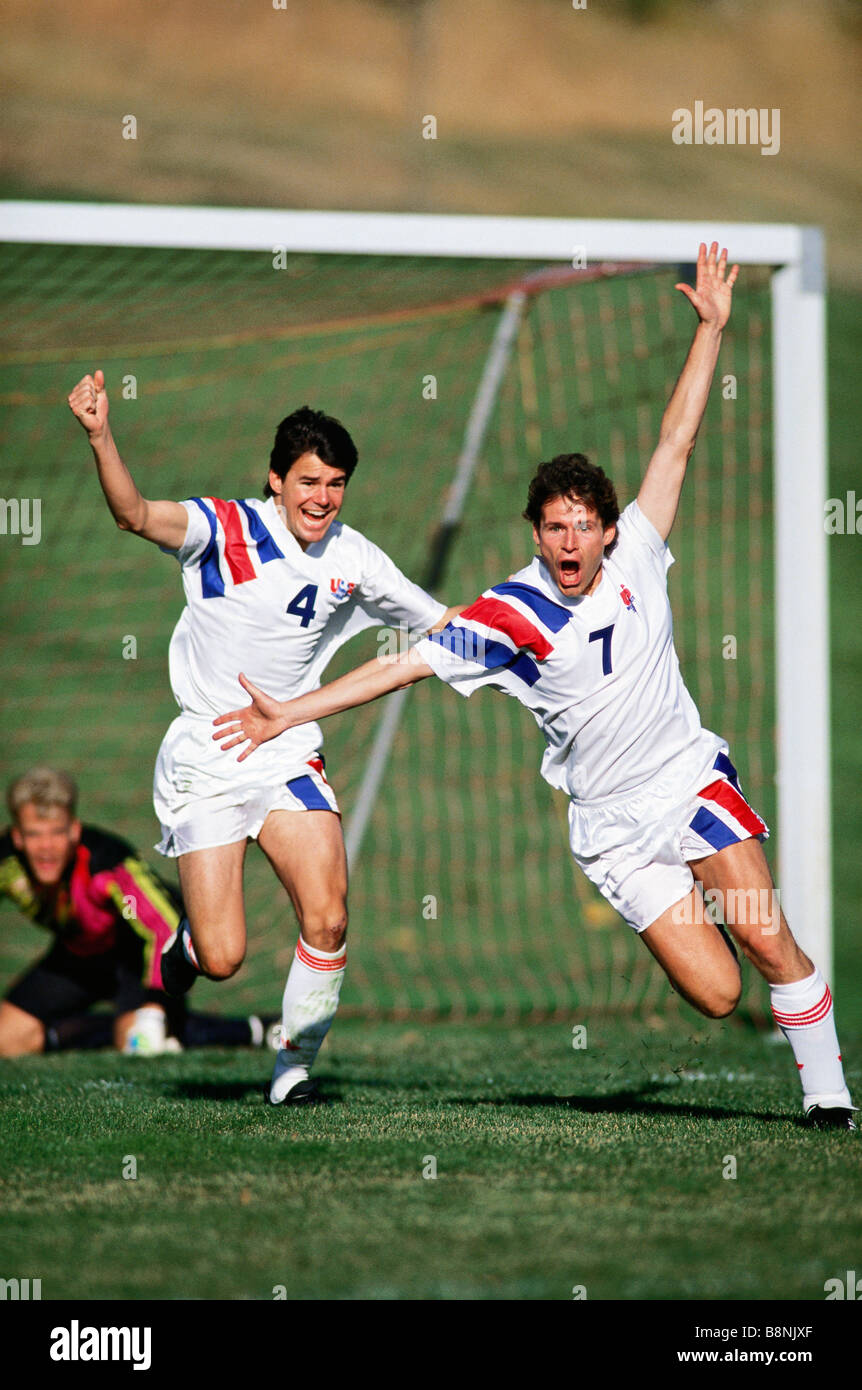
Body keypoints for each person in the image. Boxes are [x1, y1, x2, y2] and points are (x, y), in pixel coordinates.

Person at [212, 244, 854, 1130]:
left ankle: (827, 1099)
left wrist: (710, 330)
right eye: (555, 528)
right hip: (610, 826)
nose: (571, 543)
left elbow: (677, 440)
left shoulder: (640, 550)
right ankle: (782, 1020)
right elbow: (400, 663)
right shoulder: (508, 614)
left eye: (584, 526)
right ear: (536, 531)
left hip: (688, 781)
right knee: (714, 993)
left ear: (607, 527)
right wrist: (292, 706)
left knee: (766, 933)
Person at [66, 379, 459, 1104]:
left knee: (330, 912)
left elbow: (443, 624)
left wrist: (537, 635)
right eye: (309, 481)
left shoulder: (356, 558)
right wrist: (99, 435)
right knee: (223, 957)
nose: (323, 498)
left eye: (337, 484)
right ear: (276, 480)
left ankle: (294, 1070)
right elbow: (133, 514)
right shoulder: (222, 528)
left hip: (285, 751)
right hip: (204, 758)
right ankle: (184, 948)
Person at [0, 768, 272, 1056]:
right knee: (8, 1039)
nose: (46, 848)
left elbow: (158, 926)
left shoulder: (107, 864)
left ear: (74, 830)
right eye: (34, 835)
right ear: (16, 836)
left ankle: (250, 1029)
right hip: (78, 954)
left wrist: (152, 1011)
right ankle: (74, 1030)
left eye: (57, 833)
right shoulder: (6, 863)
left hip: (135, 953)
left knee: (141, 1044)